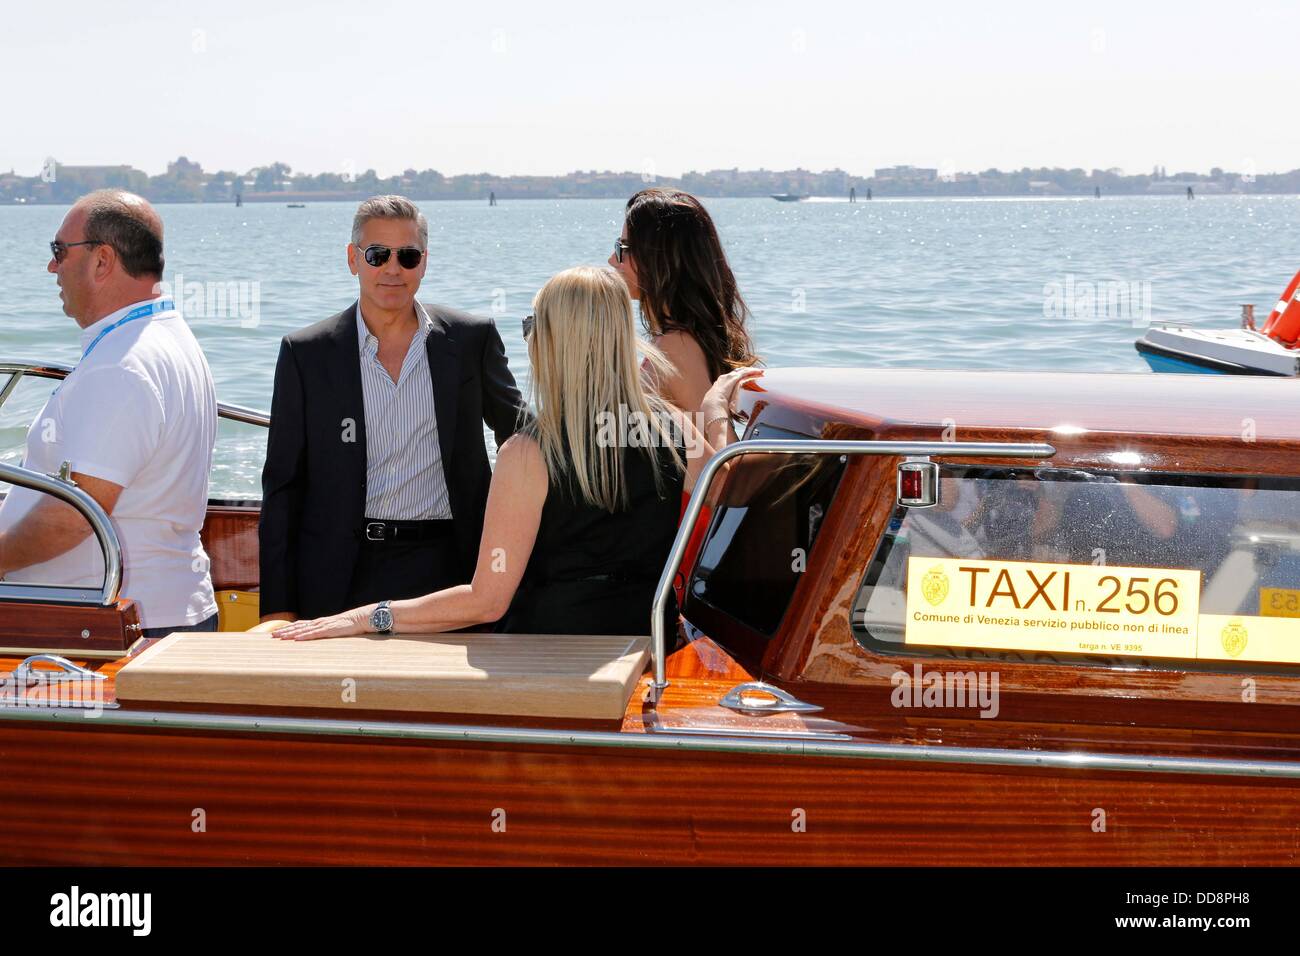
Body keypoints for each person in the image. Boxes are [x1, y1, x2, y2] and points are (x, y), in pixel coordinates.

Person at [272, 266, 760, 641]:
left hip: (545, 652)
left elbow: (486, 600)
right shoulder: (677, 430)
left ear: (553, 341)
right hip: (642, 646)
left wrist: (368, 616)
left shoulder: (529, 453)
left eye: (532, 324)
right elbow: (730, 494)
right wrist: (715, 410)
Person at [259, 195, 526, 623]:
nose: (392, 269)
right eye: (377, 254)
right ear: (353, 259)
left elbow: (520, 438)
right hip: (338, 574)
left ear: (424, 261)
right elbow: (282, 488)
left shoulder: (471, 339)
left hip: (453, 570)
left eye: (407, 256)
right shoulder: (305, 354)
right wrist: (277, 608)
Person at [0, 190, 218, 637]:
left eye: (59, 251)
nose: (52, 267)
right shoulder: (164, 336)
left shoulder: (122, 366)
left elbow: (76, 517)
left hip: (117, 628)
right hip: (158, 613)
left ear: (102, 260)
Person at [609, 187, 759, 426]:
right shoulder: (672, 340)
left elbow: (715, 455)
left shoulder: (677, 347)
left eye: (622, 249)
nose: (612, 260)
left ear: (660, 259)